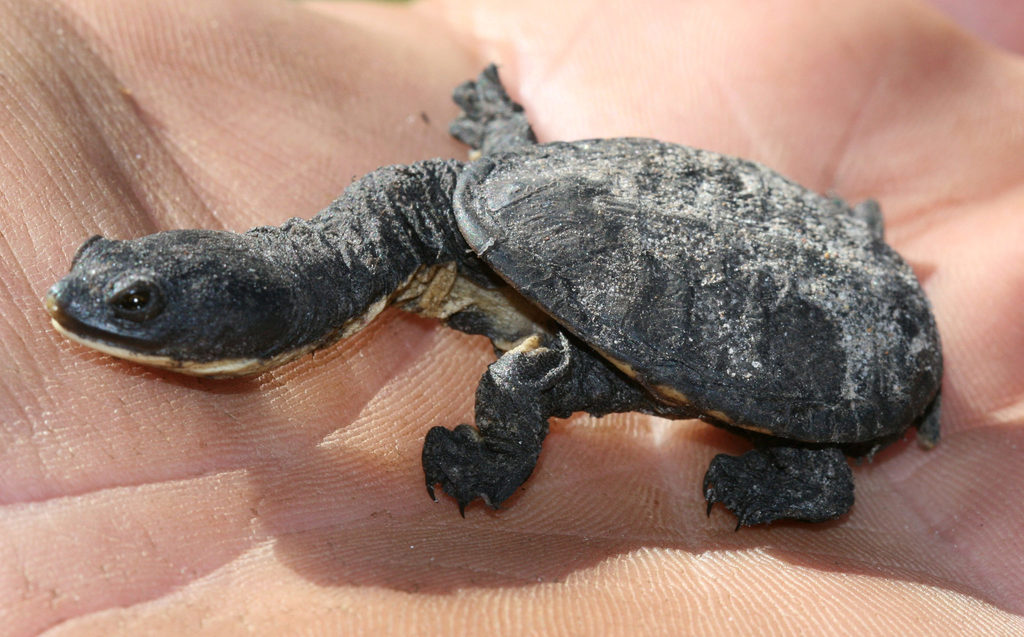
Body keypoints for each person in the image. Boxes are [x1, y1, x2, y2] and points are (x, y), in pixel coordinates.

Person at [3, 0, 1021, 633]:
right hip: (811, 248)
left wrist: (495, 455)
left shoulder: (454, 226)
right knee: (529, 249)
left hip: (852, 356)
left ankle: (809, 471)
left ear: (267, 326)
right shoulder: (433, 208)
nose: (93, 303)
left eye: (138, 301)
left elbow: (526, 365)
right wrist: (504, 141)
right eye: (129, 290)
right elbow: (500, 202)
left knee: (530, 362)